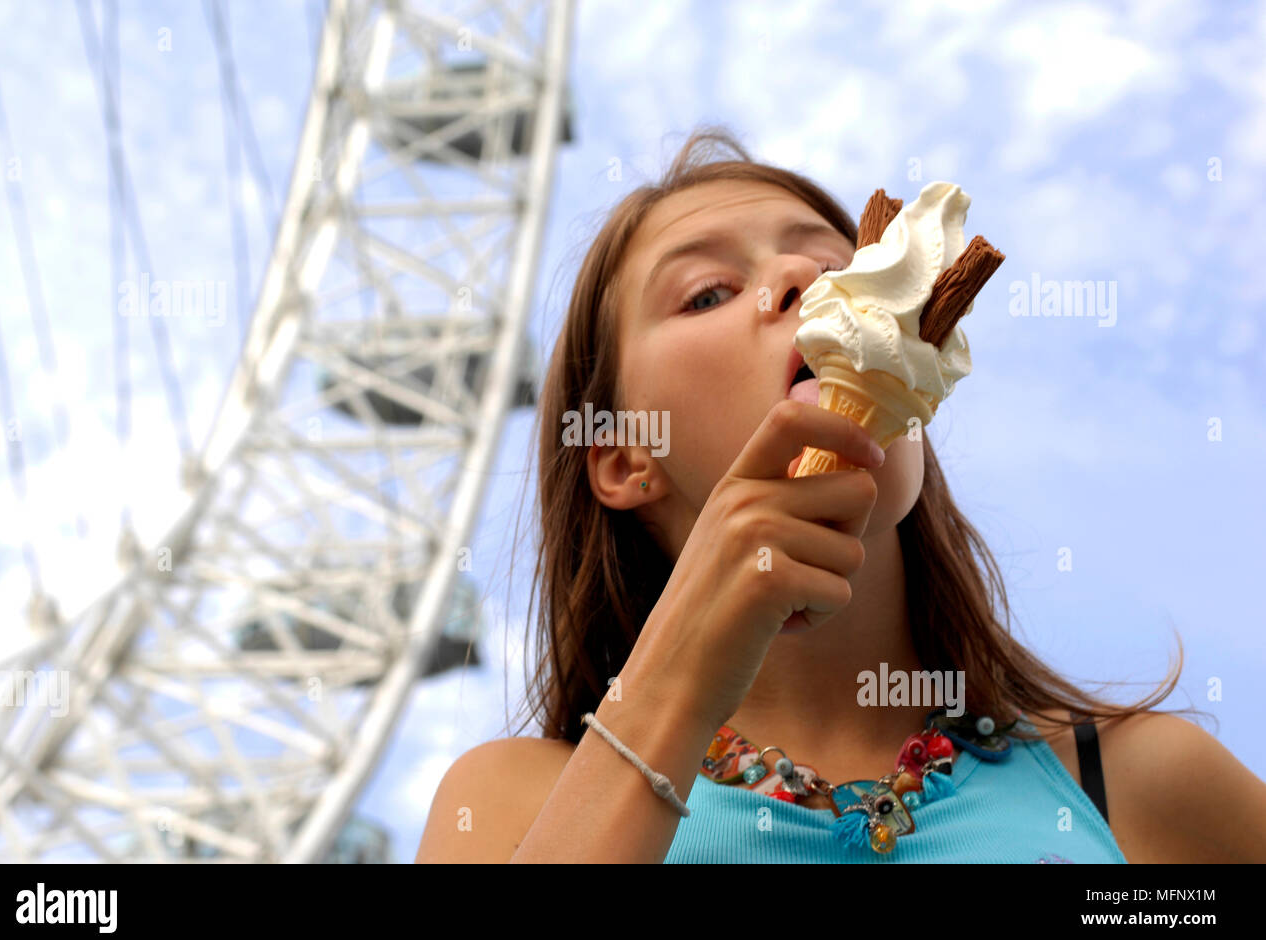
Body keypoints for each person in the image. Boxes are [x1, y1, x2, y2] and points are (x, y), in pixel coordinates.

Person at [415, 125, 1266, 863]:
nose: (799, 276)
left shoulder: (1144, 788)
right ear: (624, 458)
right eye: (706, 292)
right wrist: (672, 680)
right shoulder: (516, 800)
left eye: (835, 263)